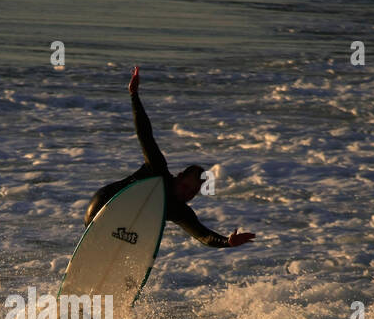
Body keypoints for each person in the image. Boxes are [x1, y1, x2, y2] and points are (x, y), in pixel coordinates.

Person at [84, 66, 255, 249]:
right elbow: (145, 134)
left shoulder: (179, 209)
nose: (186, 194)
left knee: (144, 237)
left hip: (125, 228)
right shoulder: (157, 169)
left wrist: (227, 242)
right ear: (179, 176)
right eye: (185, 186)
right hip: (103, 206)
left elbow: (203, 235)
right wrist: (134, 95)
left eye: (192, 193)